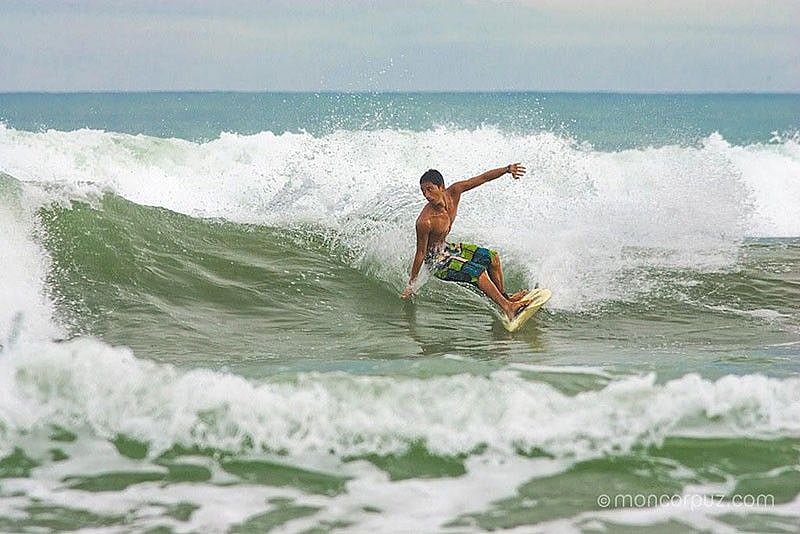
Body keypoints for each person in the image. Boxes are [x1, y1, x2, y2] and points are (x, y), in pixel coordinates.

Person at [400, 164, 531, 321]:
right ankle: (508, 307)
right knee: (477, 271)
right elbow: (420, 253)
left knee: (492, 257)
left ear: (441, 186)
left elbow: (482, 178)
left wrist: (507, 169)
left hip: (448, 248)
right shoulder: (425, 221)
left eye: (429, 189)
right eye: (423, 191)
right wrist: (411, 284)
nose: (426, 195)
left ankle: (505, 299)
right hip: (436, 262)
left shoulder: (455, 191)